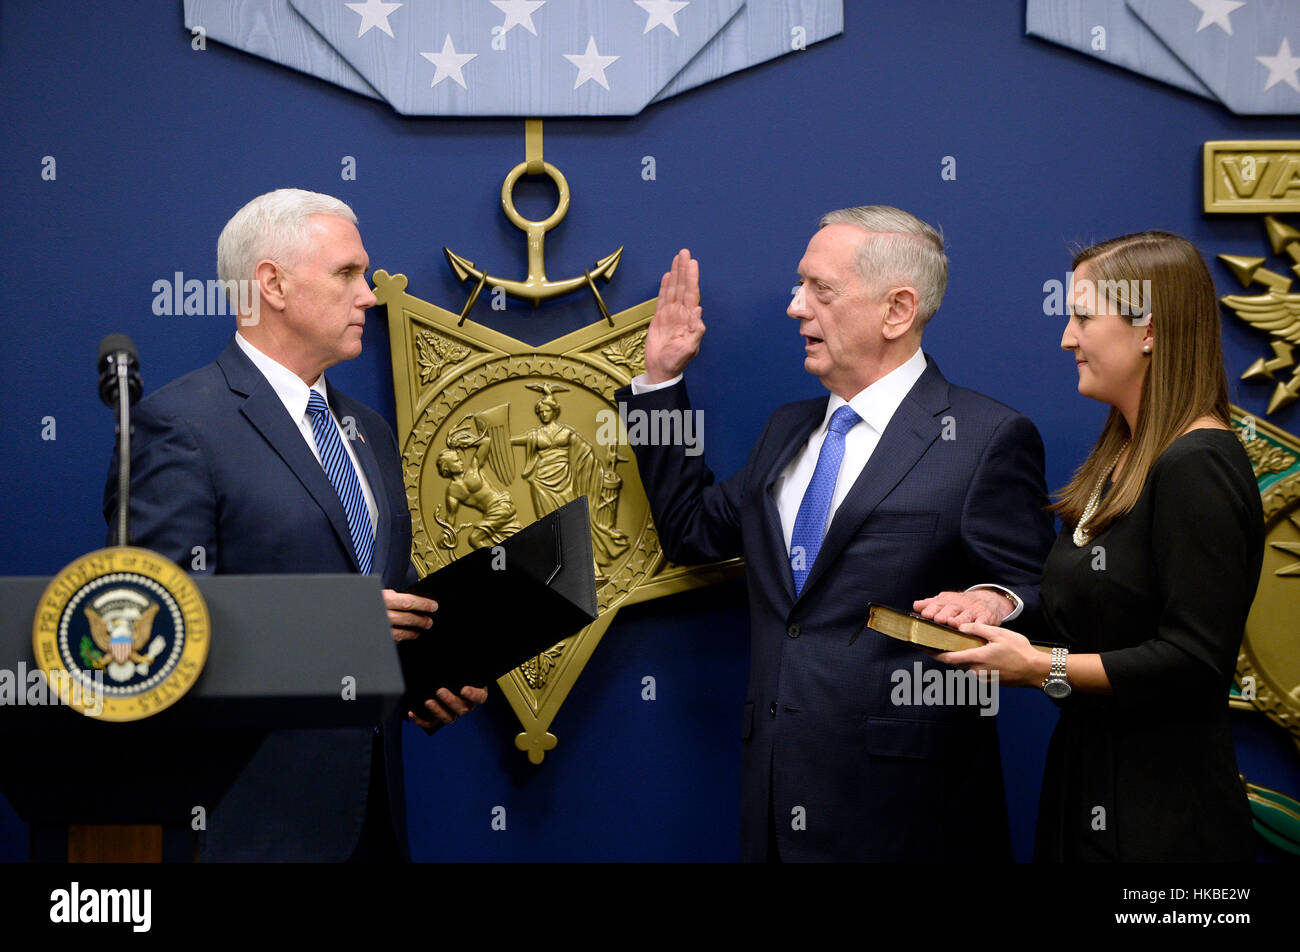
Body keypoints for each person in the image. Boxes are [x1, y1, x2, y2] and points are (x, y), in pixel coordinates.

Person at [617, 206, 1057, 861]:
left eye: (819, 289)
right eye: (800, 286)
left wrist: (997, 599)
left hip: (911, 823)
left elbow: (1040, 588)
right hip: (772, 806)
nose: (795, 307)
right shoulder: (785, 431)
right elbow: (688, 532)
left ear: (896, 310)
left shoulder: (986, 437)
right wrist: (660, 384)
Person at [104, 188, 487, 861]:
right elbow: (150, 627)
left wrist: (431, 669)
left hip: (377, 820)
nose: (369, 295)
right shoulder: (179, 426)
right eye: (347, 274)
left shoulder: (365, 430)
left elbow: (381, 591)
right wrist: (334, 623)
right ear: (271, 285)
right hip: (249, 824)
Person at [921, 231, 1263, 861]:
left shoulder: (1198, 464)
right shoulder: (1124, 455)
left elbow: (1193, 661)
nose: (1066, 337)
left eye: (1082, 316)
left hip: (1165, 824)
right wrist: (997, 609)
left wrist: (1040, 668)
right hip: (1084, 793)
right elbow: (1097, 615)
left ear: (1149, 331)